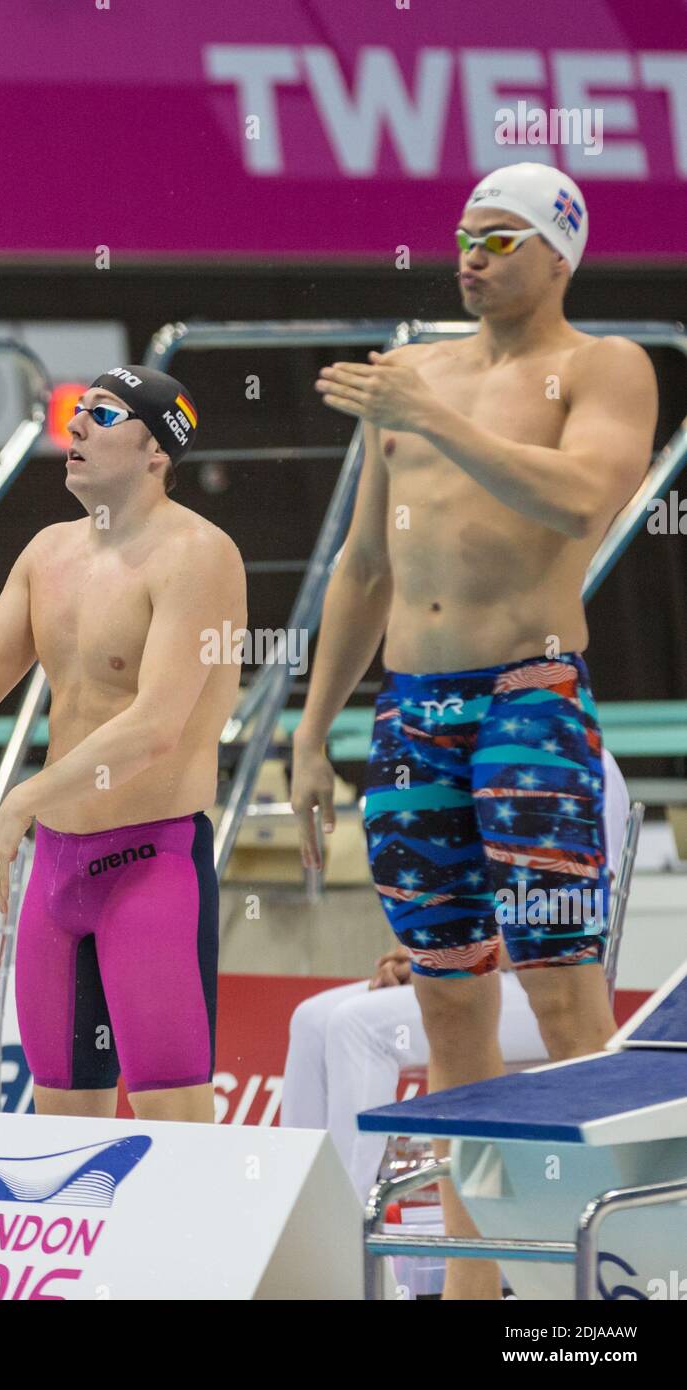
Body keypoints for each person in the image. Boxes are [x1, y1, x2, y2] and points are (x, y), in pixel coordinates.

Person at [290, 162, 657, 1299]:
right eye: (462, 236)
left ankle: (602, 1278)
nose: (470, 256)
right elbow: (360, 568)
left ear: (560, 254)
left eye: (499, 240)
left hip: (525, 703)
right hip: (410, 713)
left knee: (561, 996)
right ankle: (475, 1289)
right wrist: (311, 731)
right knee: (447, 1004)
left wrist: (429, 417)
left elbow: (580, 501)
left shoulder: (600, 367)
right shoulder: (409, 378)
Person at [0, 365, 247, 1124]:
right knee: (63, 1130)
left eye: (101, 416)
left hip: (150, 869)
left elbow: (154, 729)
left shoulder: (197, 556)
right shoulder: (48, 554)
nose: (73, 426)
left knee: (175, 1124)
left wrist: (22, 801)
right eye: (77, 412)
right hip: (56, 879)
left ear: (156, 452)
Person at [281, 749, 629, 1210]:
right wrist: (415, 954)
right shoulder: (462, 748)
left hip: (549, 987)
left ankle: (347, 1236)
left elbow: (574, 921)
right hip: (465, 967)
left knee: (357, 1026)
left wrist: (448, 953)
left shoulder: (578, 758)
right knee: (311, 1018)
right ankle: (297, 1221)